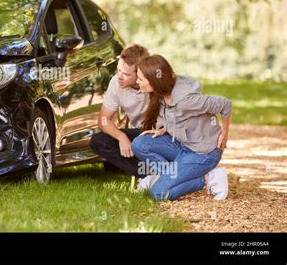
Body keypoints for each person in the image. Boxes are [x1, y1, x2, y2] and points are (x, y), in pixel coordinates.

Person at [131, 55, 232, 201]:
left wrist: (225, 133)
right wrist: (163, 130)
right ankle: (167, 178)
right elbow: (178, 118)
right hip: (183, 145)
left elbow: (225, 104)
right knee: (139, 144)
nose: (137, 81)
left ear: (154, 80)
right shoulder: (161, 93)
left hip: (203, 154)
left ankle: (210, 178)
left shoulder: (186, 101)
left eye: (140, 79)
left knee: (159, 194)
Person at [89, 44, 150, 178]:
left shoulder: (154, 81)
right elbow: (103, 120)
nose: (120, 76)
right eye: (118, 70)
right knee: (98, 141)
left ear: (140, 73)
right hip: (139, 132)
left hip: (161, 133)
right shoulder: (116, 82)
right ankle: (147, 173)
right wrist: (121, 137)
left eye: (126, 74)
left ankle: (159, 170)